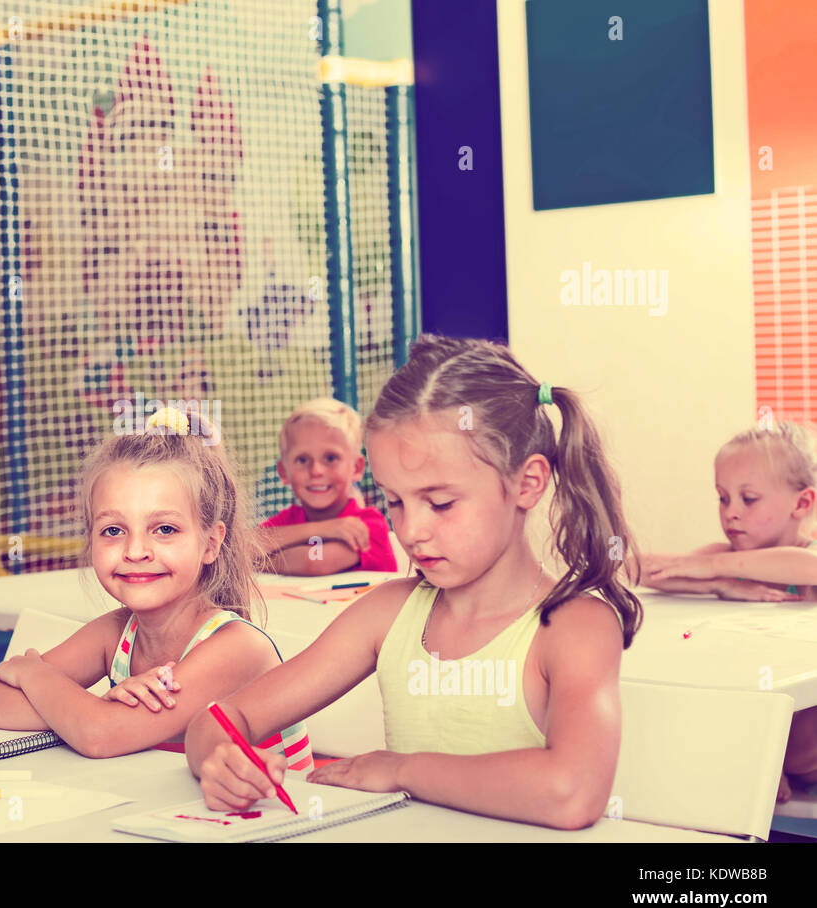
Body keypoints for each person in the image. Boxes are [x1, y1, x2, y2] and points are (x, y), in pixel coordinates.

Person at [185, 334, 642, 829]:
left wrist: (402, 770)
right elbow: (218, 721)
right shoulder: (388, 613)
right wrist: (223, 762)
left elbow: (570, 793)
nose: (411, 530)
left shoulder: (576, 626)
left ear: (527, 483)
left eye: (440, 503)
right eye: (395, 501)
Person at [0, 407, 312, 766]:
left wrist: (33, 673)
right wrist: (95, 712)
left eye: (164, 529)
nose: (135, 551)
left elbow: (100, 736)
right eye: (113, 531)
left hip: (266, 820)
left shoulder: (238, 648)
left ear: (210, 544)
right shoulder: (116, 632)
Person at [643, 422, 817, 800]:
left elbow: (807, 566)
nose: (730, 513)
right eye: (723, 498)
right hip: (764, 726)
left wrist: (714, 567)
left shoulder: (801, 558)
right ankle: (765, 764)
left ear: (801, 504)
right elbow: (637, 567)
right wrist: (717, 583)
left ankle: (774, 764)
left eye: (748, 499)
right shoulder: (725, 561)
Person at [259, 397, 398, 575]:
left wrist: (259, 559)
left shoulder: (369, 525)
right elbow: (241, 547)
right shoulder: (290, 518)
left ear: (356, 468)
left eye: (331, 458)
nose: (316, 471)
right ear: (283, 472)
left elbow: (314, 561)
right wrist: (323, 529)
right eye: (302, 460)